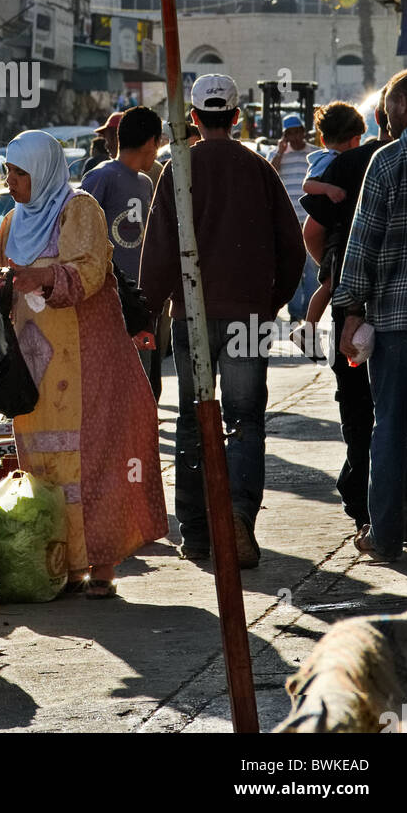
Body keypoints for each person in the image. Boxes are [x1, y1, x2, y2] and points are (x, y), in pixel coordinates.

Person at [139, 74, 305, 567]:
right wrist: (269, 303)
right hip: (248, 317)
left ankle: (197, 531)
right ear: (236, 117)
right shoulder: (257, 168)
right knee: (245, 419)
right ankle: (238, 515)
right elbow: (292, 249)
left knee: (195, 417)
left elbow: (160, 252)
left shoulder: (177, 169)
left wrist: (148, 313)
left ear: (193, 118)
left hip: (193, 316)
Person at [0, 130, 167, 598]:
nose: (10, 182)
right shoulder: (10, 223)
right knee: (44, 464)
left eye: (19, 173)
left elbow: (89, 271)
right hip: (34, 366)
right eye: (8, 171)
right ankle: (63, 562)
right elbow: (2, 283)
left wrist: (41, 275)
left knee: (98, 456)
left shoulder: (79, 208)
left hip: (88, 359)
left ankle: (103, 564)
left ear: (44, 172)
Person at [300, 92, 395, 529]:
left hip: (353, 303)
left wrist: (330, 274)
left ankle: (363, 499)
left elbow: (312, 230)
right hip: (399, 304)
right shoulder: (361, 160)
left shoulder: (350, 165)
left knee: (358, 402)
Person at [336, 70, 407, 562]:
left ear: (406, 104)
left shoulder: (387, 162)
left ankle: (384, 536)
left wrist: (349, 311)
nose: (384, 115)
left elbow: (361, 245)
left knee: (388, 425)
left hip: (392, 320)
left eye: (389, 105)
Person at [81, 106, 163, 395]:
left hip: (140, 301)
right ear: (151, 142)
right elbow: (81, 234)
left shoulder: (147, 182)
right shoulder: (100, 176)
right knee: (110, 385)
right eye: (159, 142)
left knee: (144, 383)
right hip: (109, 299)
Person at [291, 101, 365, 357]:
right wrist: (330, 189)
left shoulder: (332, 158)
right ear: (355, 140)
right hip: (327, 239)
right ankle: (307, 330)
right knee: (328, 284)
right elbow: (308, 185)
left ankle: (307, 330)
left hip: (323, 238)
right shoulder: (330, 161)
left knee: (329, 284)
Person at [267, 113, 317, 325]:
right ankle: (296, 312)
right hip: (289, 220)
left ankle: (308, 310)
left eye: (298, 132)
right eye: (290, 133)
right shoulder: (278, 155)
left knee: (312, 269)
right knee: (292, 267)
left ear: (304, 132)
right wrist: (279, 151)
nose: (295, 137)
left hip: (310, 219)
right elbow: (270, 173)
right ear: (285, 136)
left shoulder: (314, 153)